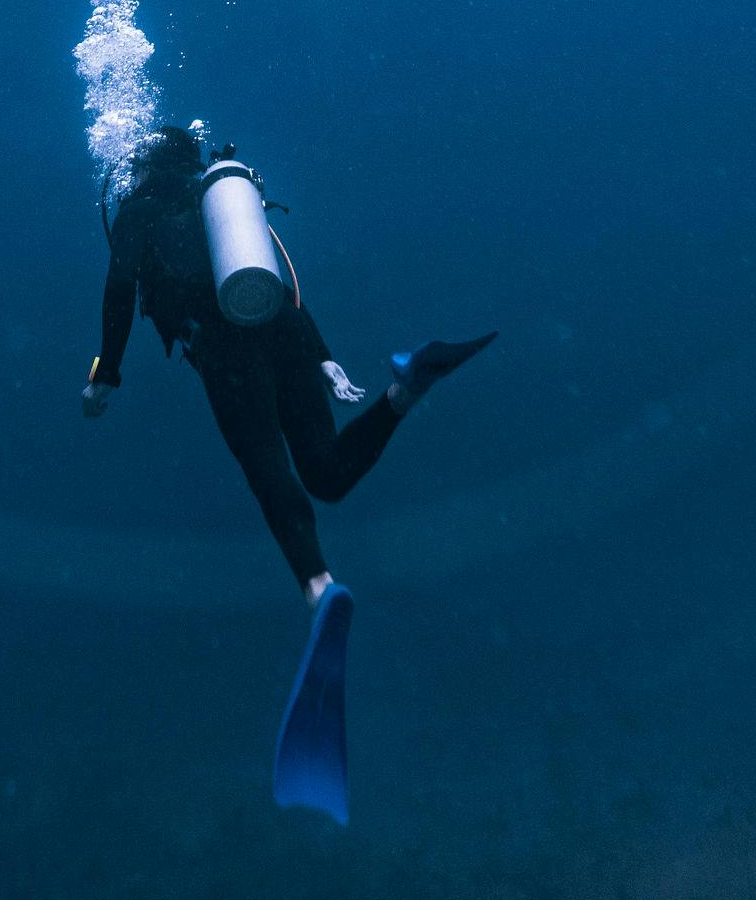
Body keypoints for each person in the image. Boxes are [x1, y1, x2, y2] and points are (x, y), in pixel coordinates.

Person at [80, 122, 493, 608]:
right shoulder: (215, 193)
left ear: (147, 167)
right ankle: (405, 390)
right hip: (284, 322)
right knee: (327, 473)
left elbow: (119, 292)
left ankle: (319, 589)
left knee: (265, 463)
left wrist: (106, 375)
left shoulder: (137, 211)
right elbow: (271, 269)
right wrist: (323, 356)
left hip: (223, 346)